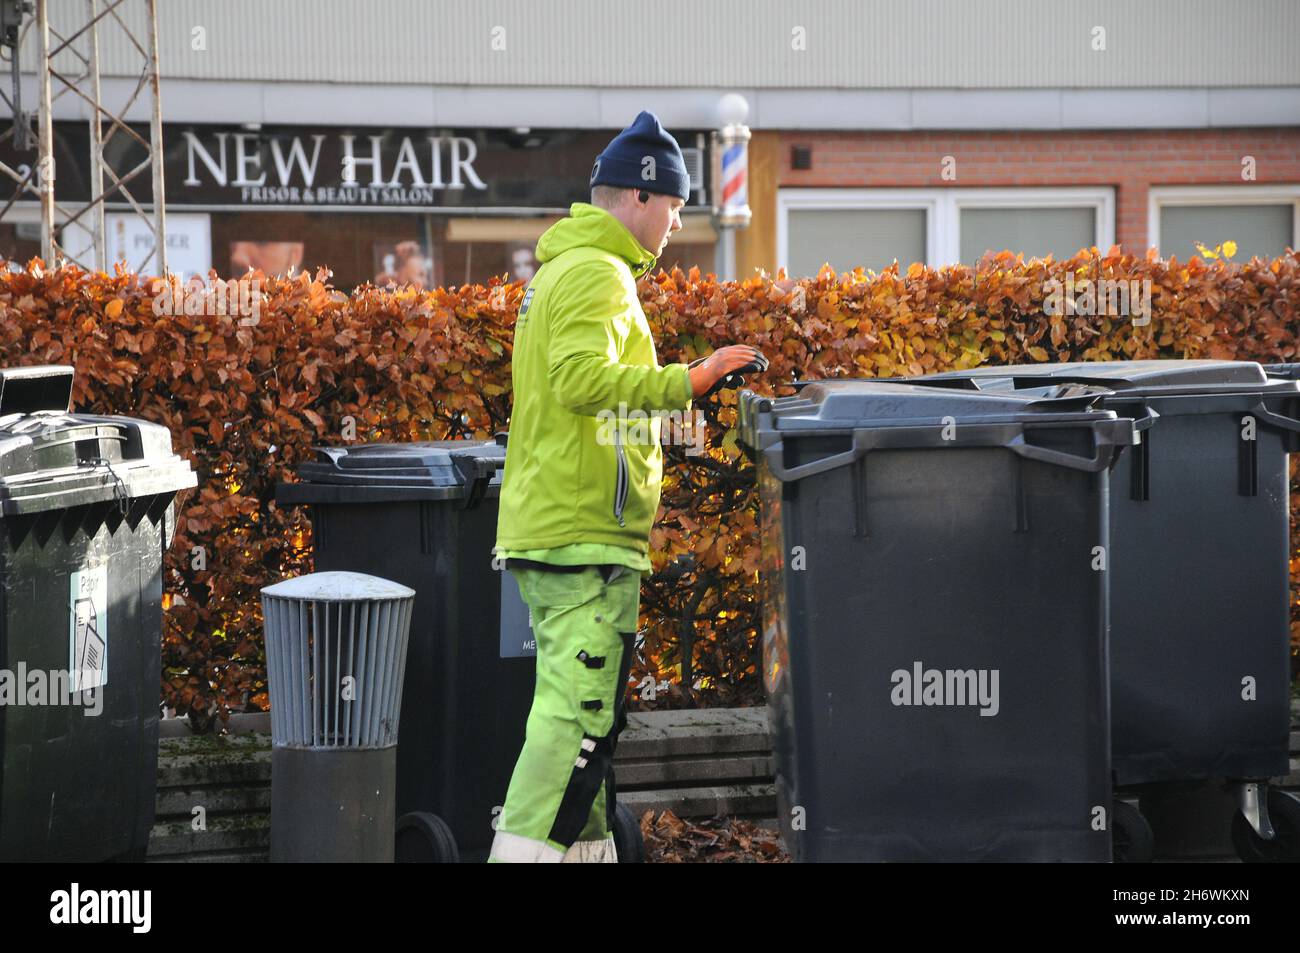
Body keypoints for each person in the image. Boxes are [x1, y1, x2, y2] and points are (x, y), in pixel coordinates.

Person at [489, 110, 761, 862]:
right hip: (581, 538)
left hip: (570, 529)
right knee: (575, 719)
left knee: (591, 726)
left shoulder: (569, 270)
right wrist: (691, 378)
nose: (676, 223)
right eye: (674, 206)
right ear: (640, 196)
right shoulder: (594, 272)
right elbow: (579, 381)